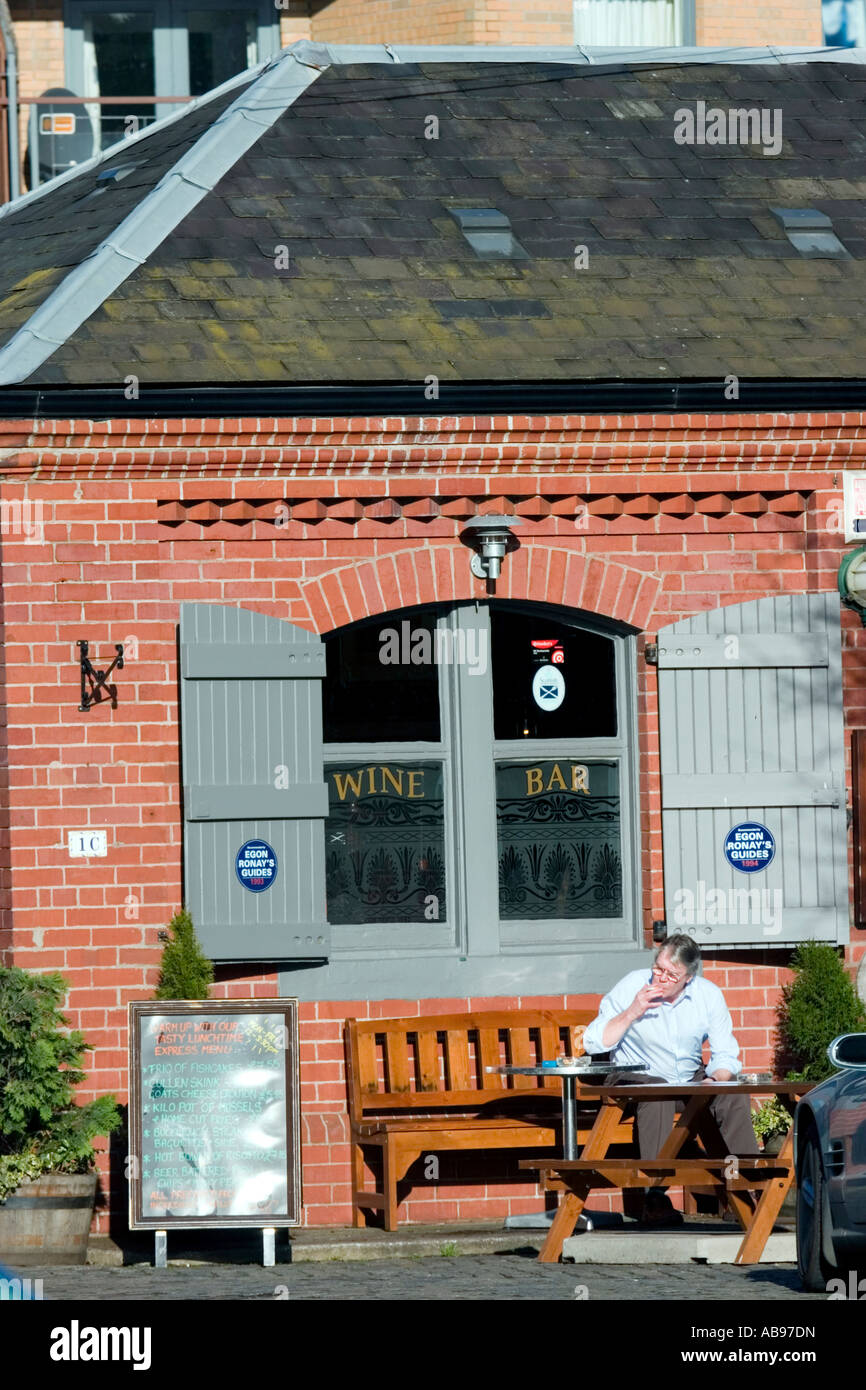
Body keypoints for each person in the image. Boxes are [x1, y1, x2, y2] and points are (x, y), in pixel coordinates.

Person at [582, 933, 759, 1224]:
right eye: (658, 968)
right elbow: (593, 1041)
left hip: (689, 1079)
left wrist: (716, 1079)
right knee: (658, 1090)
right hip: (633, 1076)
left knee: (731, 1091)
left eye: (670, 974)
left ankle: (747, 1187)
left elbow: (726, 1053)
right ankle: (655, 1196)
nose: (661, 978)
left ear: (688, 977)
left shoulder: (707, 994)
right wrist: (632, 1012)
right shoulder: (632, 985)